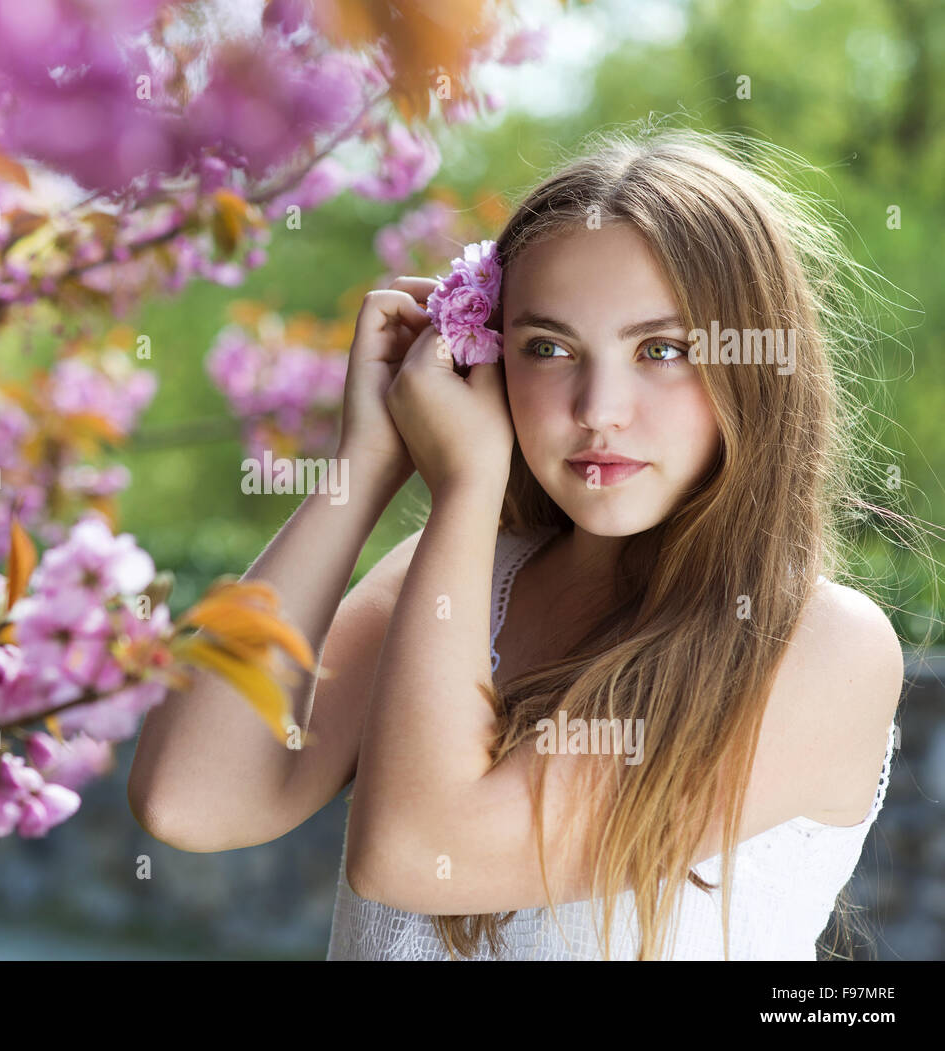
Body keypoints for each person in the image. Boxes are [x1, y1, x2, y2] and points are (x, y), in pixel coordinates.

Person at [129, 127, 908, 960]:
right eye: (549, 347)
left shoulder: (817, 645)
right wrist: (364, 466)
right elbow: (188, 798)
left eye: (663, 349)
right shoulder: (455, 581)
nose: (599, 407)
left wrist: (466, 489)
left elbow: (414, 854)